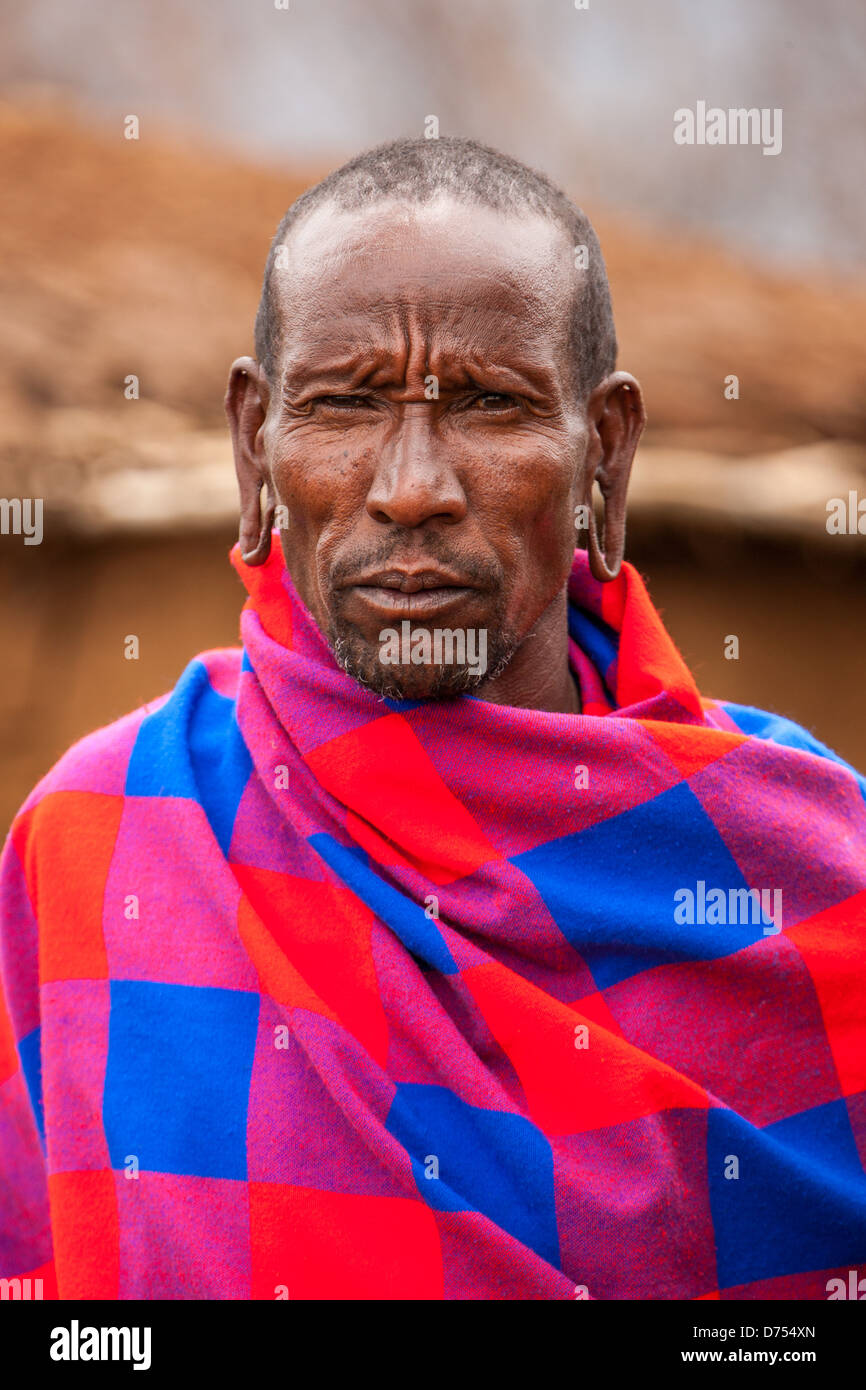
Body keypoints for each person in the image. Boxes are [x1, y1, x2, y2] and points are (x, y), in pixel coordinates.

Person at [1, 137, 865, 1301]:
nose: (411, 485)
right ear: (255, 444)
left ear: (602, 452)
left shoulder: (807, 871)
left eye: (487, 404)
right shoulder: (95, 843)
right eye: (344, 404)